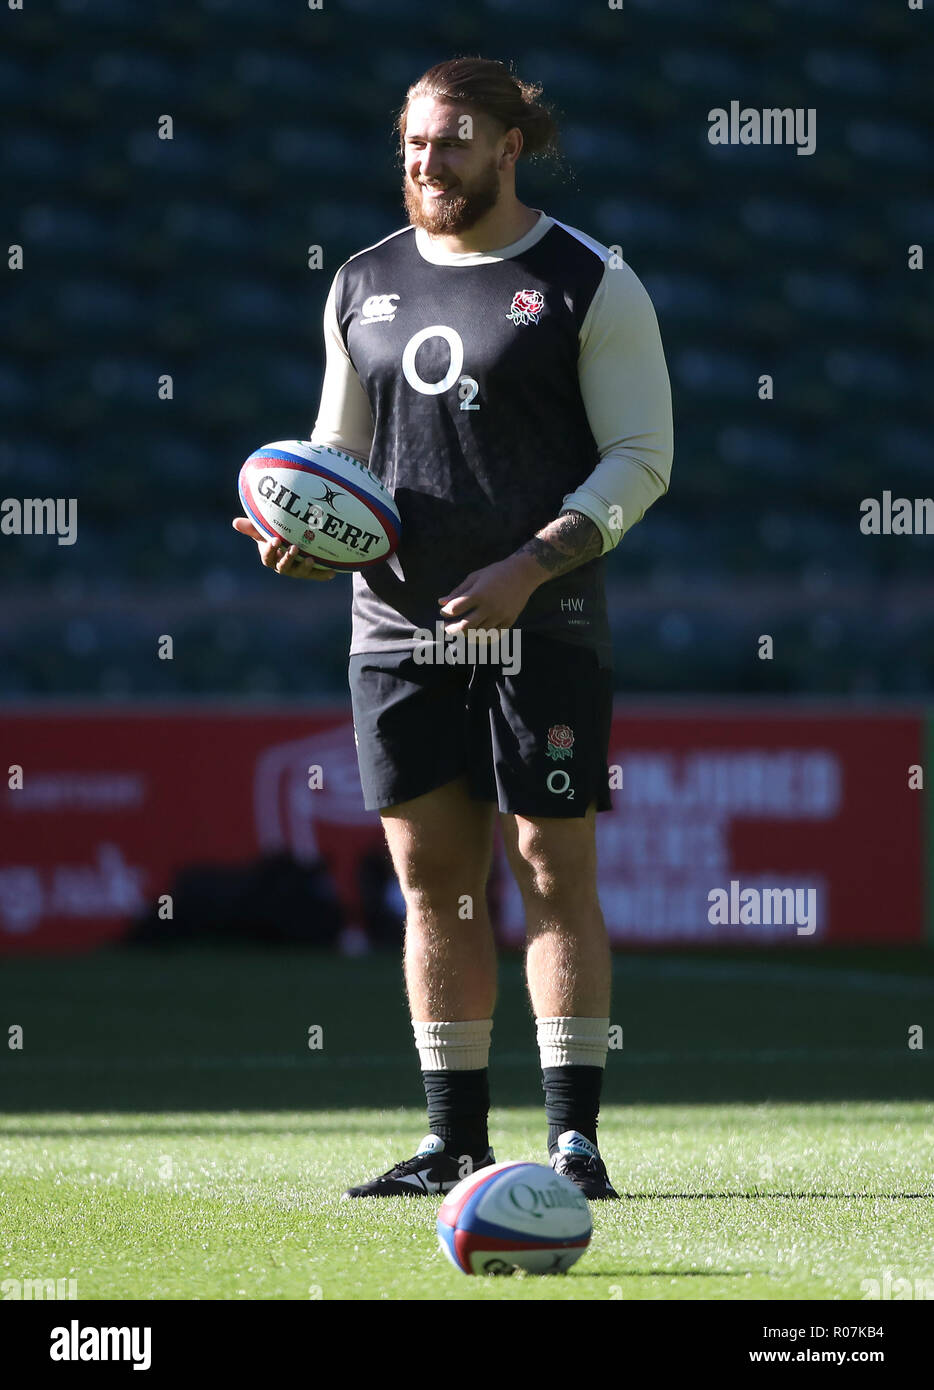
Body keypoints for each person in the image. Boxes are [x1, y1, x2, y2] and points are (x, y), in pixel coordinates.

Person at [233, 56, 673, 1200]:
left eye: (453, 140)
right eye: (414, 143)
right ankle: (452, 1138)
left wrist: (531, 565)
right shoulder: (360, 284)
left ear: (508, 146)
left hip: (547, 617)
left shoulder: (590, 282)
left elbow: (644, 459)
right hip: (392, 622)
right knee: (433, 879)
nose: (427, 162)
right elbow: (338, 459)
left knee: (548, 862)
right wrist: (304, 532)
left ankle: (574, 1138)